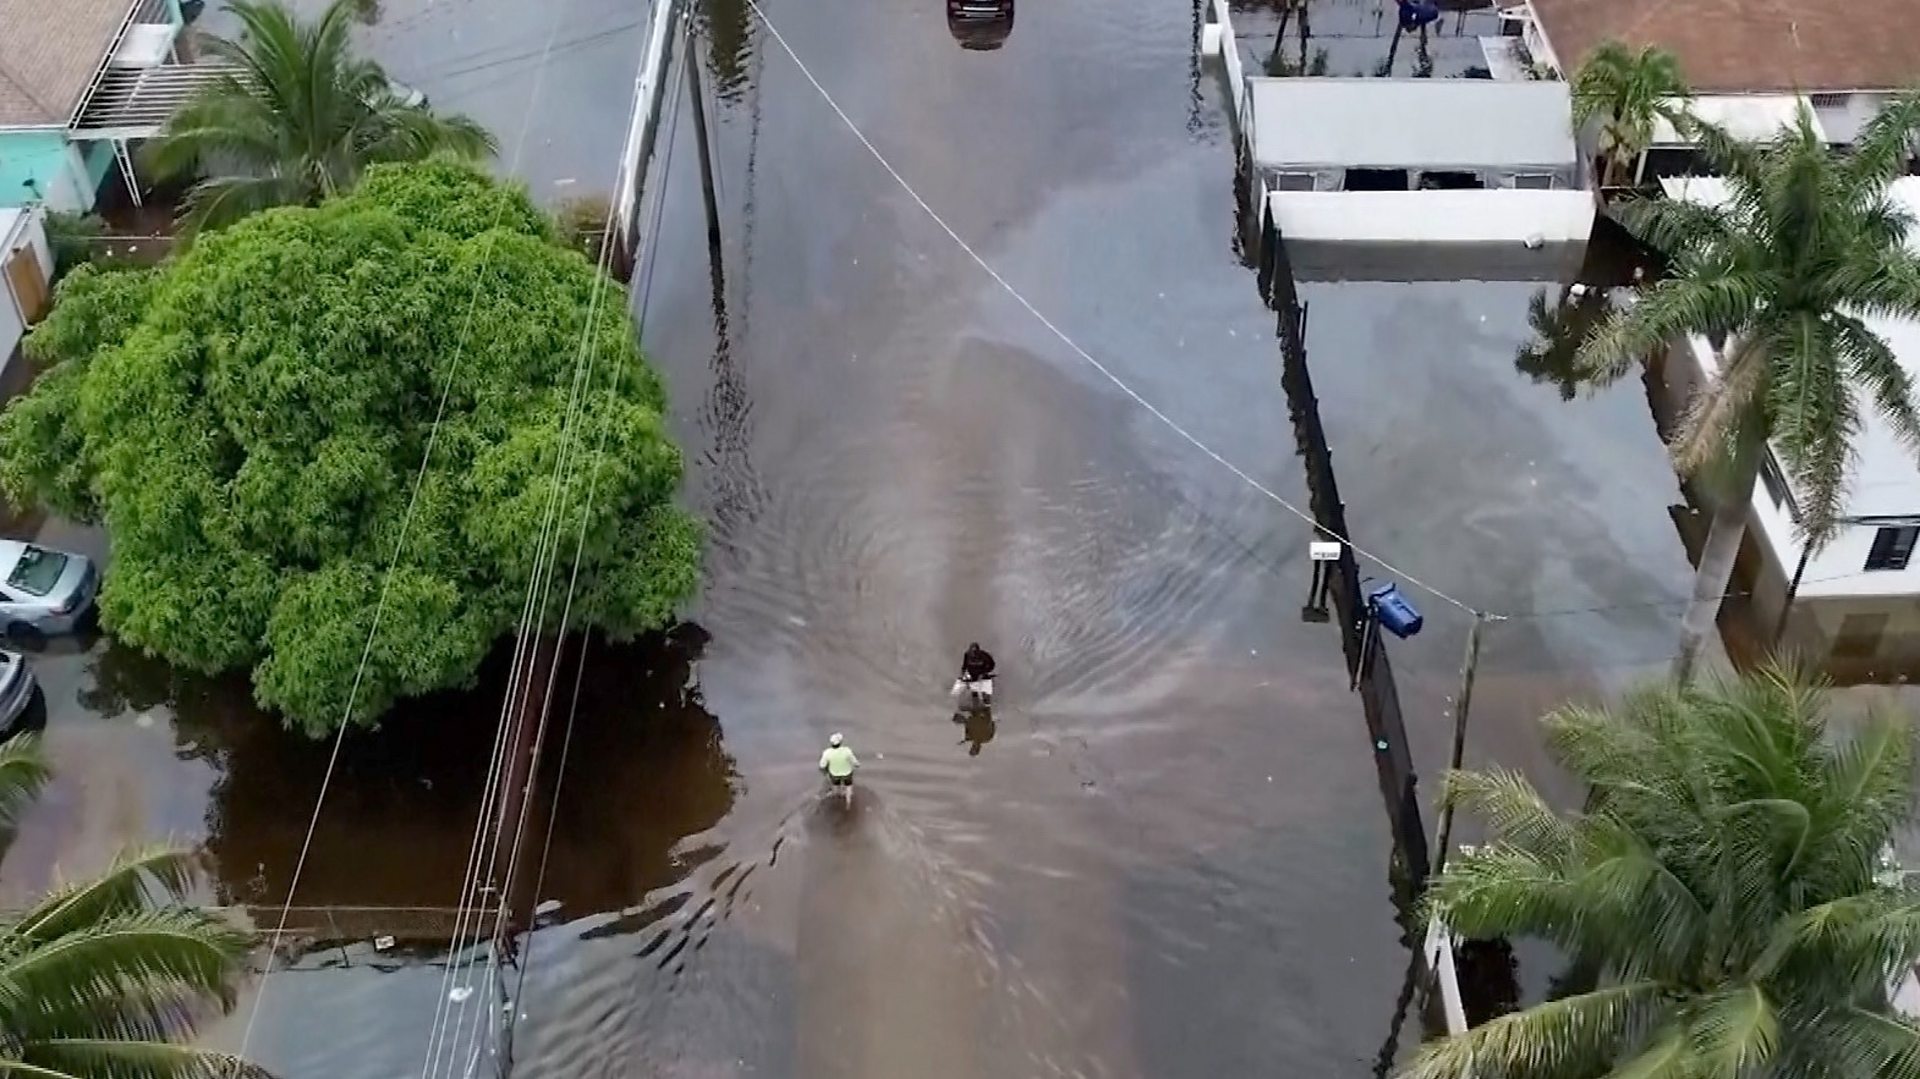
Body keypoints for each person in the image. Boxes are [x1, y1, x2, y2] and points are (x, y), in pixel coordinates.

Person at [819, 732, 859, 801]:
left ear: (831, 743)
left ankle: (837, 798)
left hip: (834, 774)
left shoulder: (827, 752)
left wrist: (825, 772)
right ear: (840, 742)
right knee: (848, 786)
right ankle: (848, 801)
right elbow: (855, 762)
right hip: (847, 773)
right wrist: (857, 765)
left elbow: (822, 765)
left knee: (836, 786)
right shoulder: (847, 750)